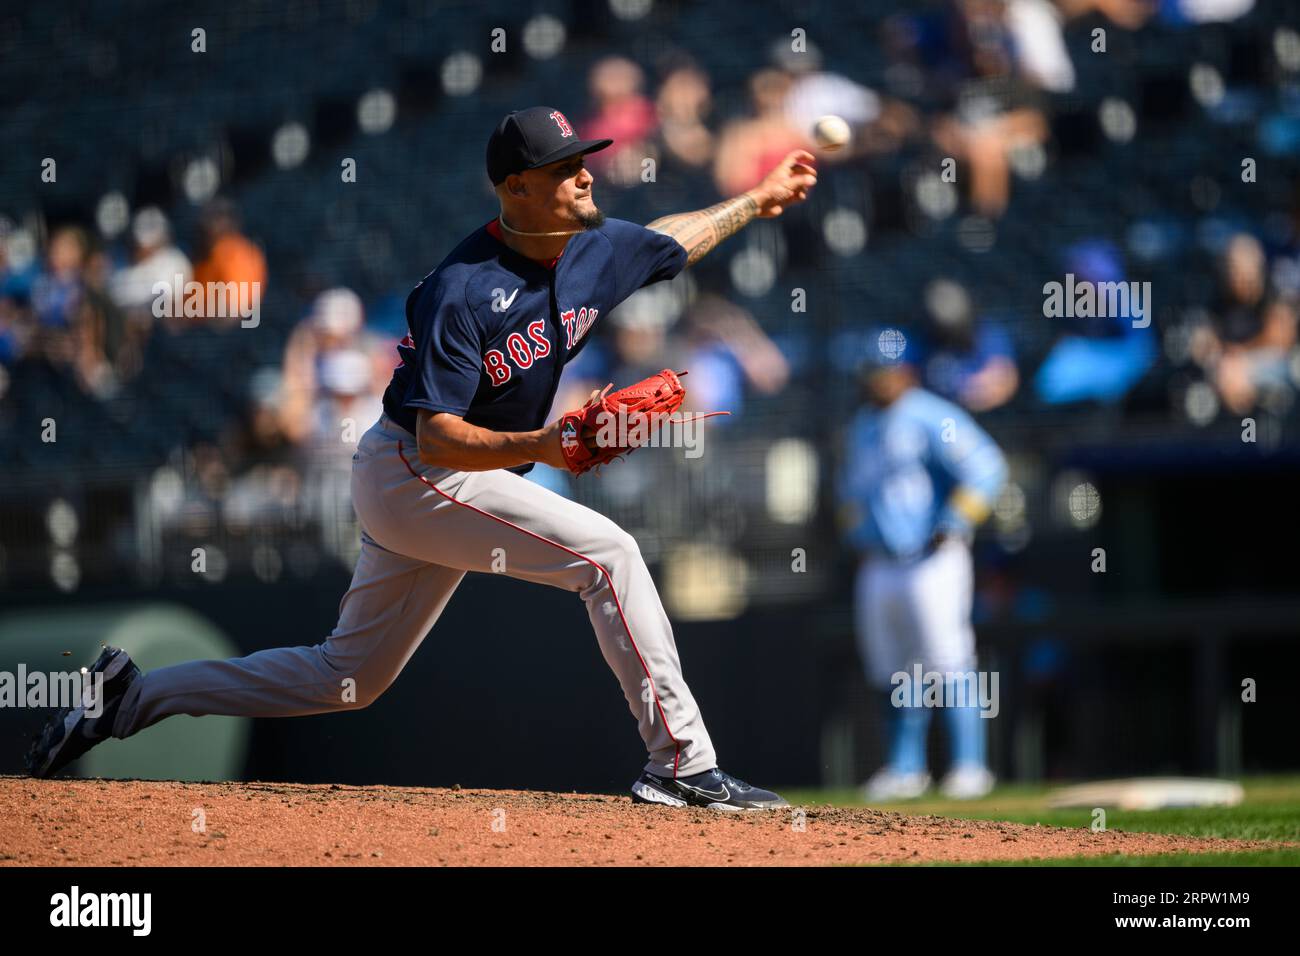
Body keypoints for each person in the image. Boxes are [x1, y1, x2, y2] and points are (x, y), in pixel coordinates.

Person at [27, 106, 818, 811]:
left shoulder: (593, 246)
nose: (584, 175)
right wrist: (545, 445)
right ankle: (682, 763)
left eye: (583, 160)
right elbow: (438, 434)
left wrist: (756, 199)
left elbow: (672, 239)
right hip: (416, 469)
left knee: (347, 678)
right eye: (563, 168)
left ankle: (129, 698)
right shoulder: (462, 289)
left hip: (439, 479)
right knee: (609, 555)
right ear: (515, 189)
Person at [837, 328, 1007, 801]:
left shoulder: (931, 414)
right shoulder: (863, 425)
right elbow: (848, 494)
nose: (877, 380)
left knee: (948, 659)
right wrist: (857, 535)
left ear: (906, 370)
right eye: (872, 373)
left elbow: (987, 466)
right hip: (880, 561)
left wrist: (954, 519)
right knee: (892, 666)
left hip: (932, 557)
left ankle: (970, 766)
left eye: (885, 371)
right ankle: (906, 768)